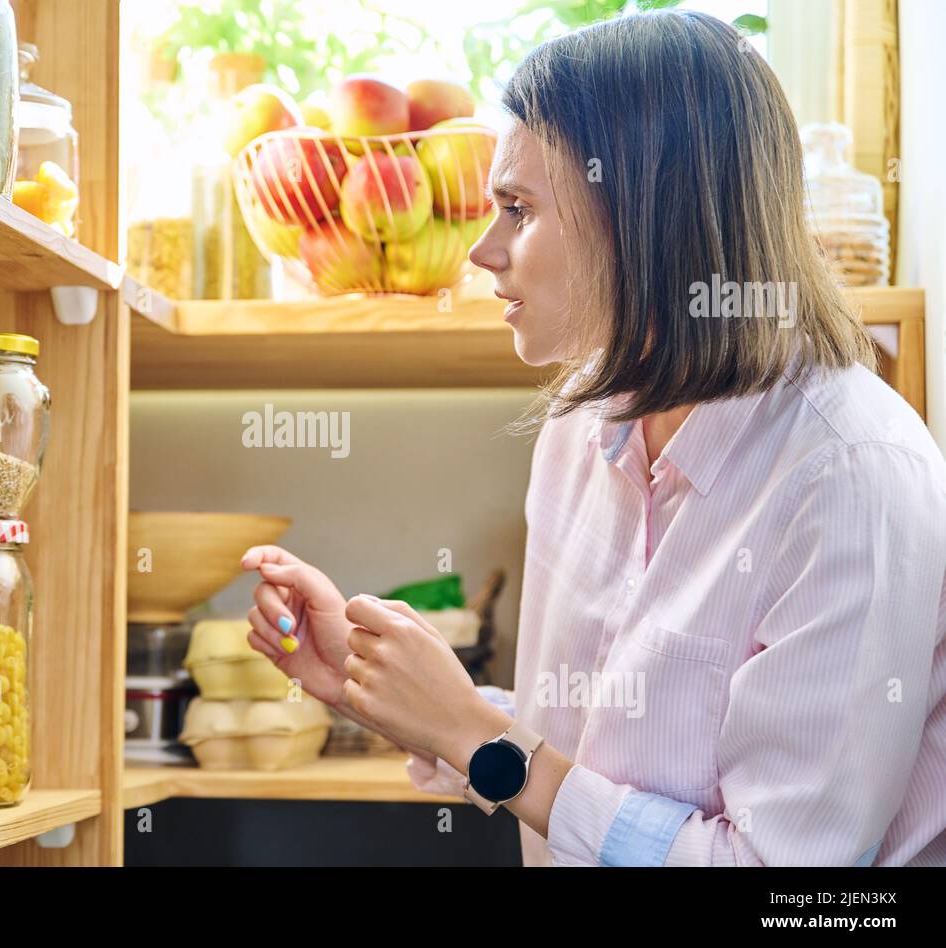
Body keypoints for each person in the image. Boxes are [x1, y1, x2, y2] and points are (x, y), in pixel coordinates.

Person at [241, 10, 946, 866]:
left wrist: (474, 738)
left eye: (517, 209)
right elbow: (588, 751)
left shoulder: (850, 476)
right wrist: (388, 684)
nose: (481, 251)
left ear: (647, 217)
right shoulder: (583, 426)